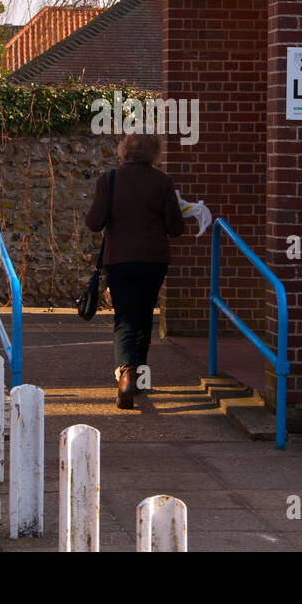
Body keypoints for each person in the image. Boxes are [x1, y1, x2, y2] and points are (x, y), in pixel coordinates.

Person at [85, 133, 185, 409]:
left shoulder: (110, 180)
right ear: (155, 154)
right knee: (144, 316)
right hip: (154, 260)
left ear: (124, 151)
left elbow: (94, 222)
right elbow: (176, 228)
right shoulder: (162, 182)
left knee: (125, 318)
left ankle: (126, 374)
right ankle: (138, 376)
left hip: (119, 260)